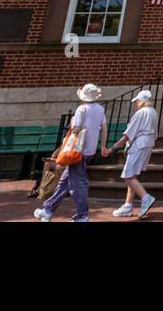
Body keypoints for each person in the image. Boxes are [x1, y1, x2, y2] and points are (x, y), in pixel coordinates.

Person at [35, 83, 106, 222]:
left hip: (77, 151)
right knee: (64, 181)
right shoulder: (100, 109)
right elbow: (104, 128)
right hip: (90, 150)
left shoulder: (82, 109)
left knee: (78, 184)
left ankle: (82, 215)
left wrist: (72, 122)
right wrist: (103, 146)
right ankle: (48, 209)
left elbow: (75, 130)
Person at [105, 90, 158, 218]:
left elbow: (127, 135)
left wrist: (112, 149)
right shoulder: (154, 112)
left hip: (139, 144)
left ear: (142, 101)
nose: (136, 104)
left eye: (137, 101)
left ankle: (146, 198)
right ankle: (128, 206)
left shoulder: (140, 113)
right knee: (132, 175)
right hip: (148, 144)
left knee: (128, 176)